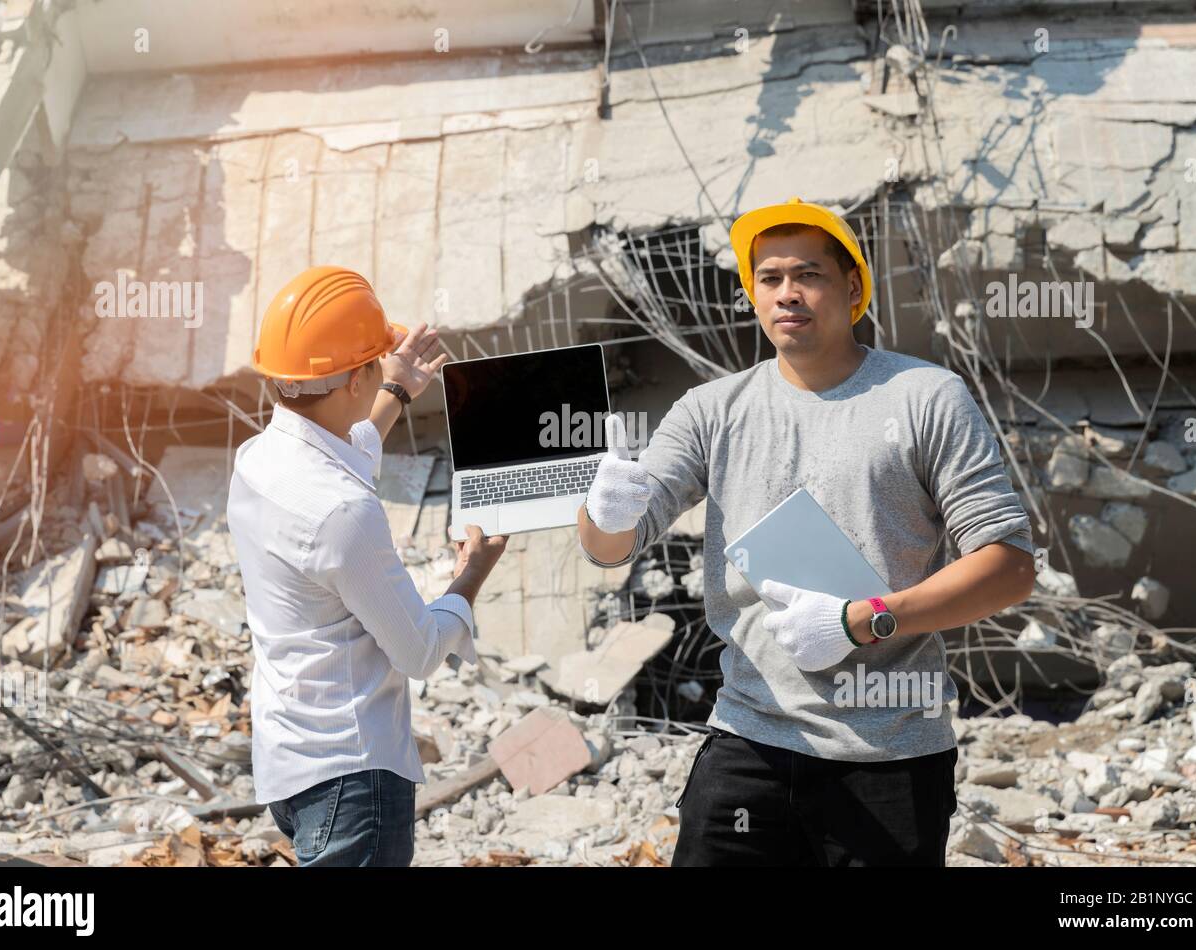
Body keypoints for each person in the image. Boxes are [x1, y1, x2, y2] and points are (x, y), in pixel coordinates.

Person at [577, 198, 1036, 866]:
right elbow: (609, 547)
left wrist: (864, 620)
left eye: (808, 274)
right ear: (752, 294)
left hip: (891, 755)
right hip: (748, 741)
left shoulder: (926, 398)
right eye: (769, 278)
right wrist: (605, 514)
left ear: (852, 288)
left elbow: (1009, 566)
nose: (787, 293)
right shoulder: (711, 411)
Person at [227, 266, 507, 866]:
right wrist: (472, 574)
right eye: (375, 365)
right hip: (353, 781)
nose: (381, 371)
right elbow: (420, 652)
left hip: (291, 764)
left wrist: (398, 388)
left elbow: (340, 460)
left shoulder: (256, 460)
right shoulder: (343, 512)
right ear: (356, 378)